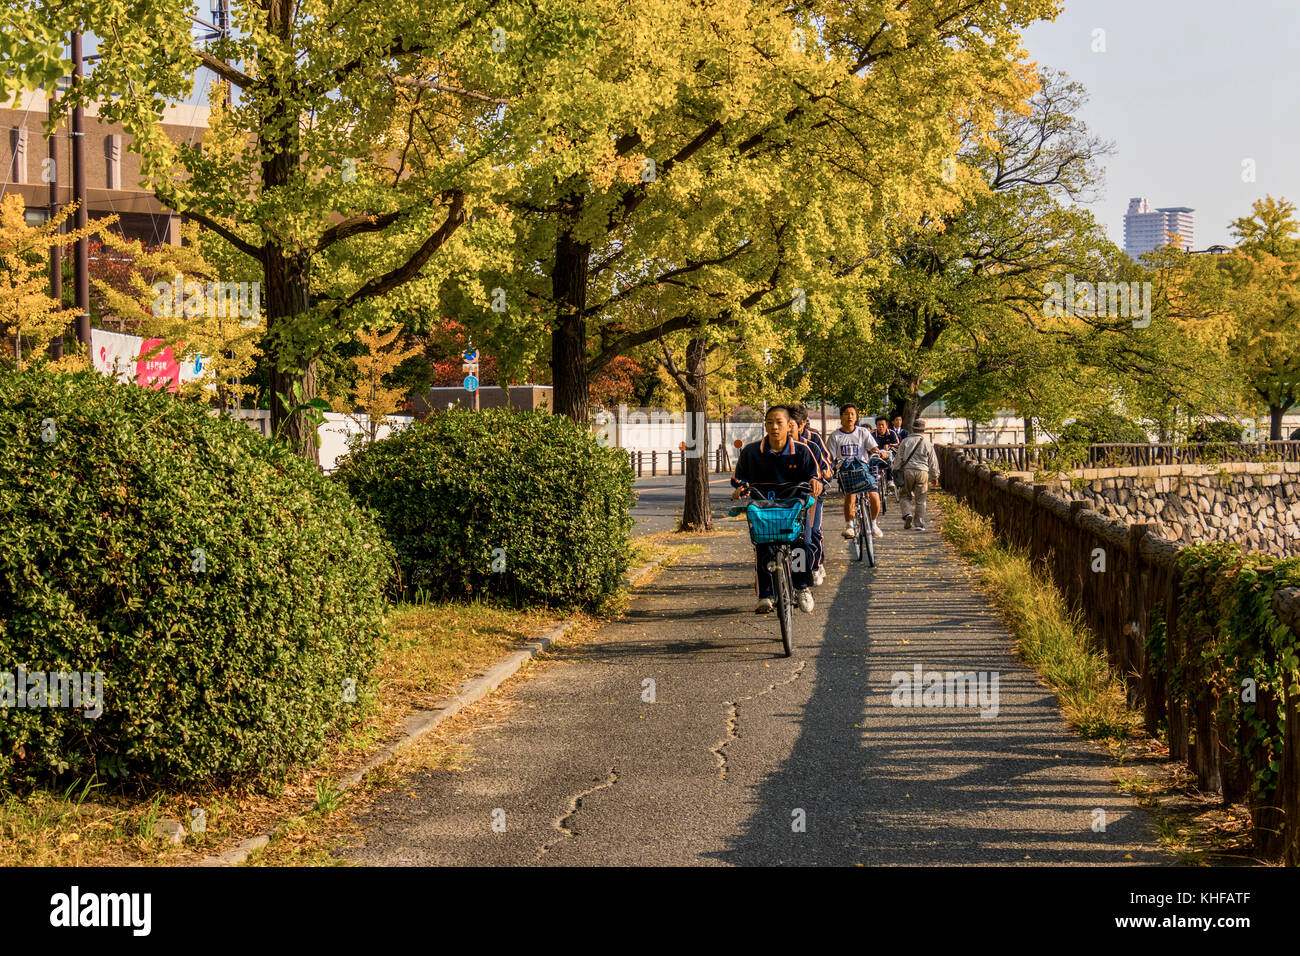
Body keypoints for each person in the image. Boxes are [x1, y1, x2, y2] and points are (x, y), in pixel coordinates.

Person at [731, 405, 822, 614]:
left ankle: (802, 588)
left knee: (801, 545)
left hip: (793, 510)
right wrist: (740, 489)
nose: (774, 427)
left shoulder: (801, 450)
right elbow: (738, 478)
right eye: (770, 422)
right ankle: (765, 595)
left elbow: (814, 474)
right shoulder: (752, 451)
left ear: (789, 424)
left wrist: (815, 483)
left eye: (779, 422)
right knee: (764, 548)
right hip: (764, 511)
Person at [787, 404, 833, 586]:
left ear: (802, 425)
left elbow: (825, 466)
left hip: (809, 497)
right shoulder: (772, 446)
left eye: (791, 424)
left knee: (810, 534)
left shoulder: (812, 443)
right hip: (784, 499)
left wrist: (822, 477)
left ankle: (813, 567)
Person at [826, 404, 883, 540]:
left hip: (863, 469)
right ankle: (850, 525)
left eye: (852, 414)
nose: (849, 417)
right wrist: (830, 466)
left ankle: (873, 524)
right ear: (841, 417)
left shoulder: (862, 432)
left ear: (856, 417)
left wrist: (880, 454)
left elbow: (873, 448)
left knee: (874, 495)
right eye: (846, 414)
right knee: (850, 496)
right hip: (846, 472)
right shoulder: (835, 436)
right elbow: (830, 456)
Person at [895, 418, 940, 530]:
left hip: (907, 471)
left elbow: (898, 460)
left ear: (913, 429)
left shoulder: (905, 442)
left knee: (904, 495)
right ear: (923, 430)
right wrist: (935, 476)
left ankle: (907, 514)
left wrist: (896, 472)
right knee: (921, 499)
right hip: (923, 472)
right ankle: (919, 524)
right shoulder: (927, 443)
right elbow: (933, 462)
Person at [872, 415, 899, 494]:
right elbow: (869, 445)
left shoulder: (891, 433)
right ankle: (875, 478)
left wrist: (889, 445)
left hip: (889, 453)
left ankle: (890, 480)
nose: (880, 427)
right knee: (873, 462)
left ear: (886, 425)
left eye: (882, 425)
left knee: (890, 460)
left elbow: (897, 443)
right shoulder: (872, 434)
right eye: (878, 425)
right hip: (877, 454)